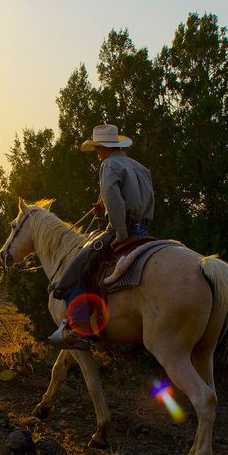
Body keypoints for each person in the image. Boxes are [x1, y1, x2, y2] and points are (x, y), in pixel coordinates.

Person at [48, 123, 155, 349]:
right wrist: (103, 211)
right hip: (143, 229)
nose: (97, 154)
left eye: (97, 149)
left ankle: (79, 327)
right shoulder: (139, 167)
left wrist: (120, 233)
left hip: (122, 229)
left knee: (77, 267)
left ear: (103, 147)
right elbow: (146, 201)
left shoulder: (109, 165)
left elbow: (116, 203)